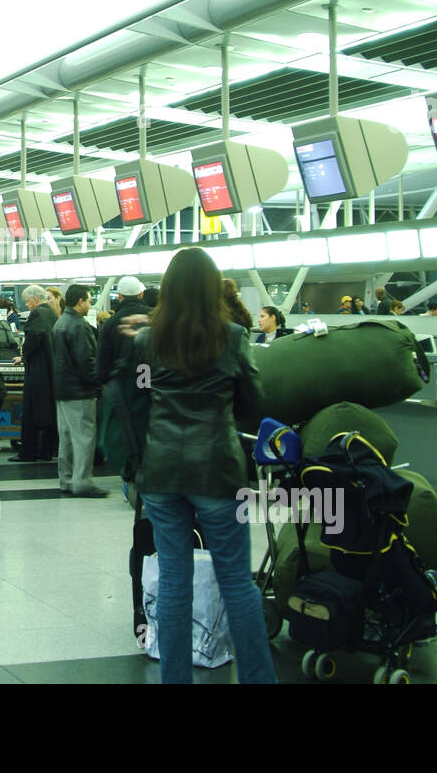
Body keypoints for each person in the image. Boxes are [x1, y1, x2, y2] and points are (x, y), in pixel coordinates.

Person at [123, 247, 275, 684]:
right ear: (213, 290)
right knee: (236, 584)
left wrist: (136, 465)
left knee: (174, 581)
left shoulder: (146, 342)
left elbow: (137, 402)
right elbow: (253, 405)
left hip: (161, 473)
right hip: (217, 473)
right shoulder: (231, 337)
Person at [53, 284, 105, 498]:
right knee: (84, 437)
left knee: (66, 438)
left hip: (62, 391)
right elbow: (86, 362)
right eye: (89, 300)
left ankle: (66, 479)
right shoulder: (78, 326)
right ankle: (82, 481)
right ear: (80, 301)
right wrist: (97, 384)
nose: (90, 305)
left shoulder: (60, 323)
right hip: (79, 391)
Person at [11, 285, 57, 463]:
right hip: (50, 369)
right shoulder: (52, 314)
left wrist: (24, 356)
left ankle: (28, 452)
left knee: (30, 412)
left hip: (37, 370)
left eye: (28, 302)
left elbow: (34, 336)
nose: (27, 306)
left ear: (36, 300)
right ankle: (46, 451)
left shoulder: (37, 313)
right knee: (47, 411)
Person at [96, 277, 149, 388]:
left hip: (123, 387)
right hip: (152, 387)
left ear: (119, 296)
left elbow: (102, 366)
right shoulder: (154, 317)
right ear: (141, 295)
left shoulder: (110, 323)